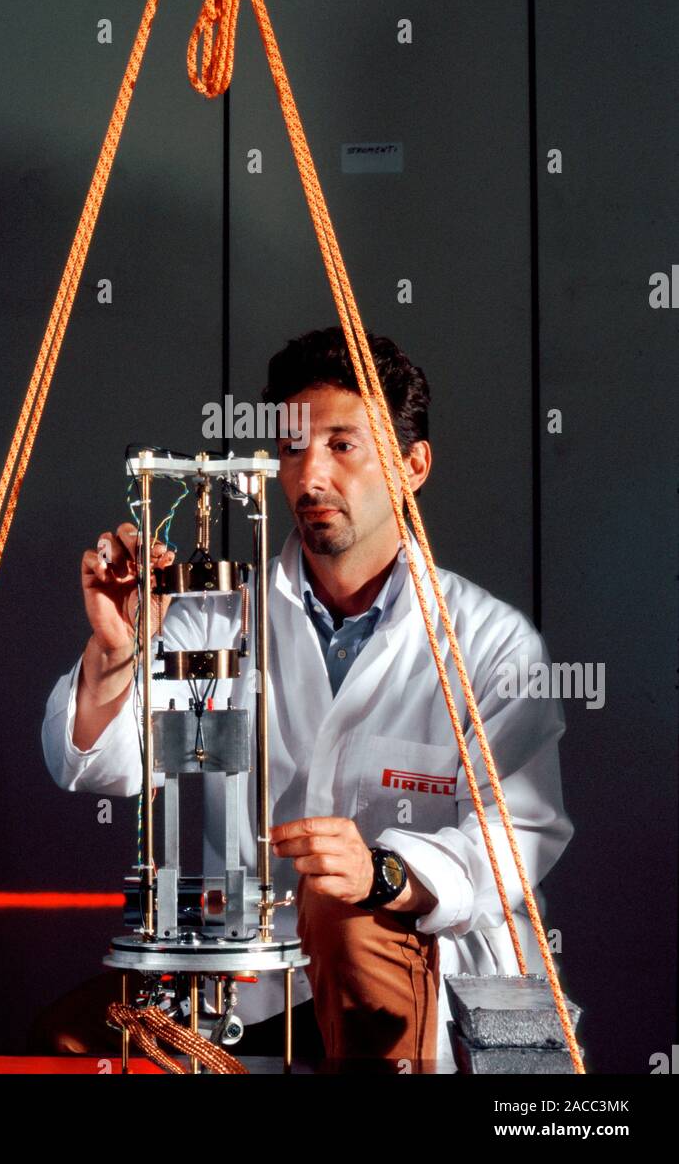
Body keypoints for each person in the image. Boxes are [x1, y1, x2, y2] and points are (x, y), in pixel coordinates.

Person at [39, 326, 573, 1072]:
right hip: (251, 987)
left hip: (408, 976)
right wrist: (116, 647)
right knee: (66, 1041)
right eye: (291, 449)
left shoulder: (486, 642)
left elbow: (519, 832)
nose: (310, 475)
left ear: (412, 465)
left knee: (342, 916)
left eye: (343, 446)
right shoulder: (216, 621)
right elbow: (106, 765)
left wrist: (384, 873)